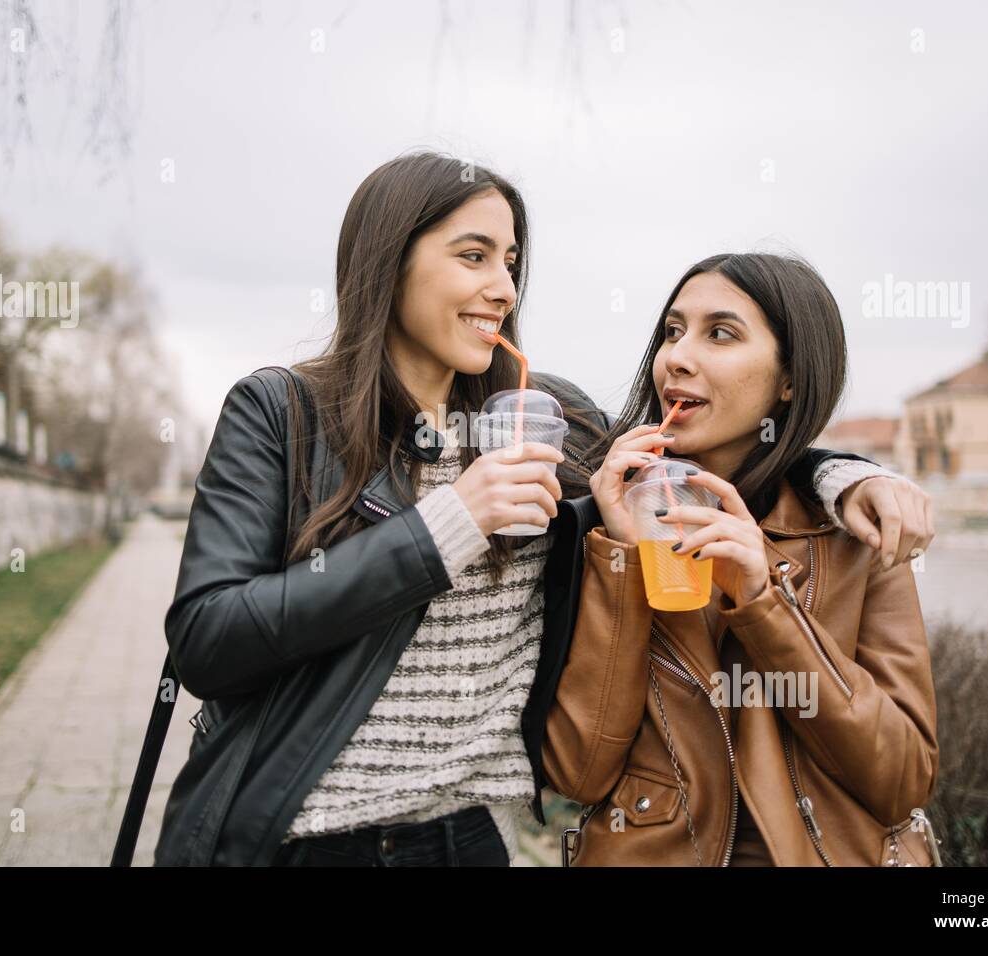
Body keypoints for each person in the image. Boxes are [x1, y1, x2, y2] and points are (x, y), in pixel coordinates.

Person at [153, 154, 931, 866]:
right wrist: (448, 524)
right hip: (299, 841)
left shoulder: (549, 420)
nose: (504, 287)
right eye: (474, 256)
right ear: (389, 264)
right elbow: (206, 641)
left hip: (469, 841)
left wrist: (848, 477)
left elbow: (708, 453)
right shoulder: (284, 414)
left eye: (512, 262)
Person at [543, 252, 941, 866]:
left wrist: (765, 604)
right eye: (673, 332)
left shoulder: (857, 533)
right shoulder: (605, 523)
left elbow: (902, 781)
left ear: (790, 380)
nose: (677, 357)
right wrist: (623, 558)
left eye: (720, 334)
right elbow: (579, 773)